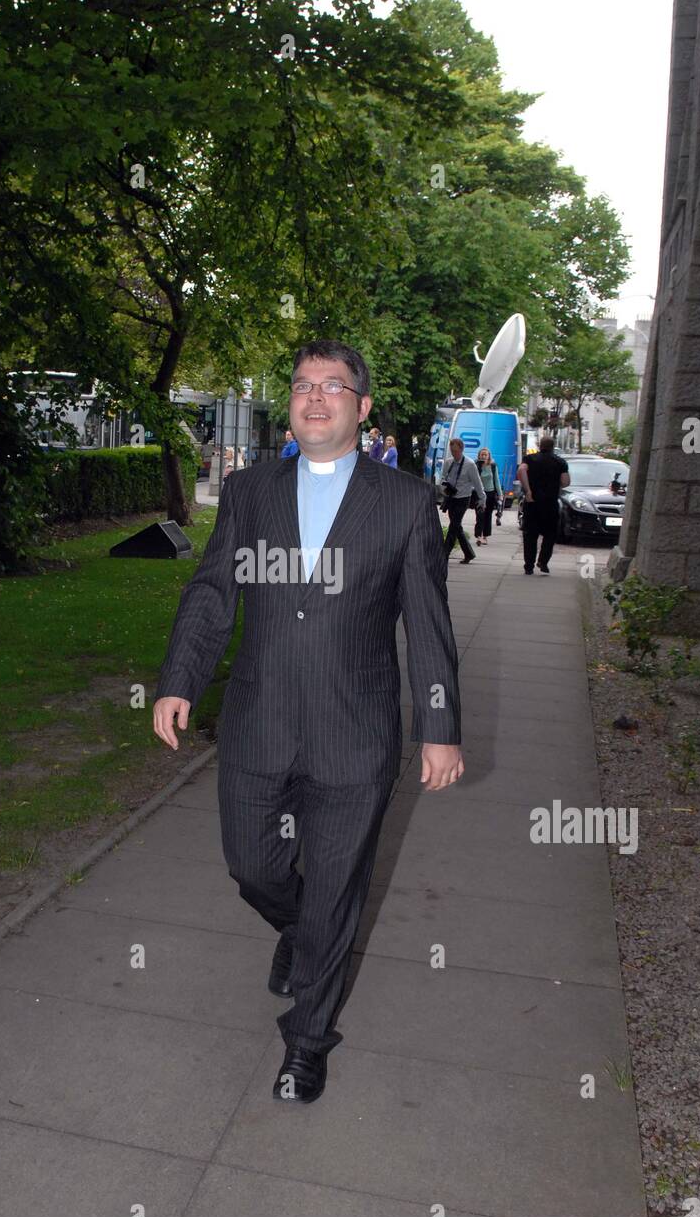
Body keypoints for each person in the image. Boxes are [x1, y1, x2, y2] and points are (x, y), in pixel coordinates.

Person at [153, 339, 464, 1105]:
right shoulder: (251, 490)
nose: (315, 397)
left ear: (361, 408)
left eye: (333, 387)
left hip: (354, 735)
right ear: (289, 405)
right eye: (301, 386)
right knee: (252, 866)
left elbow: (427, 622)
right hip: (258, 723)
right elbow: (211, 591)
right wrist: (178, 679)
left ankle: (307, 1041)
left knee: (335, 891)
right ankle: (298, 931)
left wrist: (440, 724)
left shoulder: (403, 502)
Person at [518, 436, 570, 574]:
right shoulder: (560, 462)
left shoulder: (529, 459)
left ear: (540, 445)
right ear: (553, 446)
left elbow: (521, 471)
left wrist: (528, 490)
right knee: (550, 535)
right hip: (550, 504)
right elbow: (565, 482)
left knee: (530, 535)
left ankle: (529, 565)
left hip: (532, 502)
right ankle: (543, 561)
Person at [440, 437, 485, 564]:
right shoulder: (449, 463)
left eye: (456, 451)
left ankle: (444, 554)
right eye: (452, 451)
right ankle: (469, 553)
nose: (454, 454)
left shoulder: (470, 465)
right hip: (451, 498)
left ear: (461, 449)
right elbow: (443, 477)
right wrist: (444, 488)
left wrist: (482, 499)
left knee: (453, 526)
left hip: (463, 498)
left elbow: (477, 483)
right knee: (457, 526)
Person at [473, 447, 503, 545]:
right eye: (482, 454)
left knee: (487, 515)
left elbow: (496, 480)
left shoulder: (493, 466)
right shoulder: (476, 465)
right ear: (479, 455)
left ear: (489, 456)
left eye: (486, 454)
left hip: (490, 493)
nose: (484, 456)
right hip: (479, 493)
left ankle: (485, 536)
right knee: (479, 515)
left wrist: (500, 494)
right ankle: (478, 536)